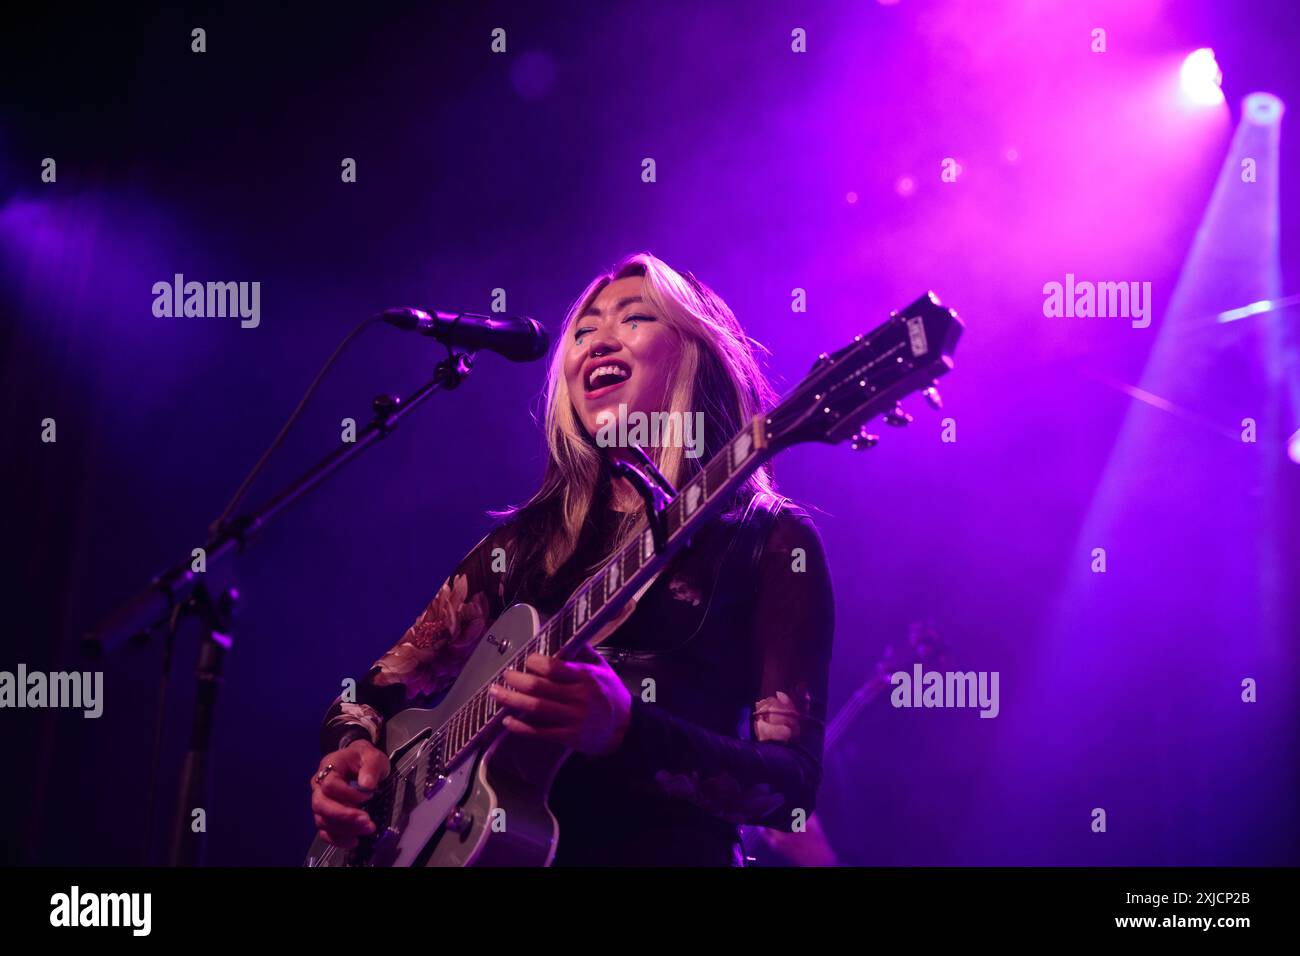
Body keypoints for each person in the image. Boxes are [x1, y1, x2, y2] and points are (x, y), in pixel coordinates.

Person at [310, 252, 836, 865]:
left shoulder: (770, 542)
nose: (596, 342)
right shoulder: (525, 542)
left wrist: (627, 732)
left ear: (696, 354)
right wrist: (347, 753)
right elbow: (371, 693)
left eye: (634, 319)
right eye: (583, 332)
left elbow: (791, 790)